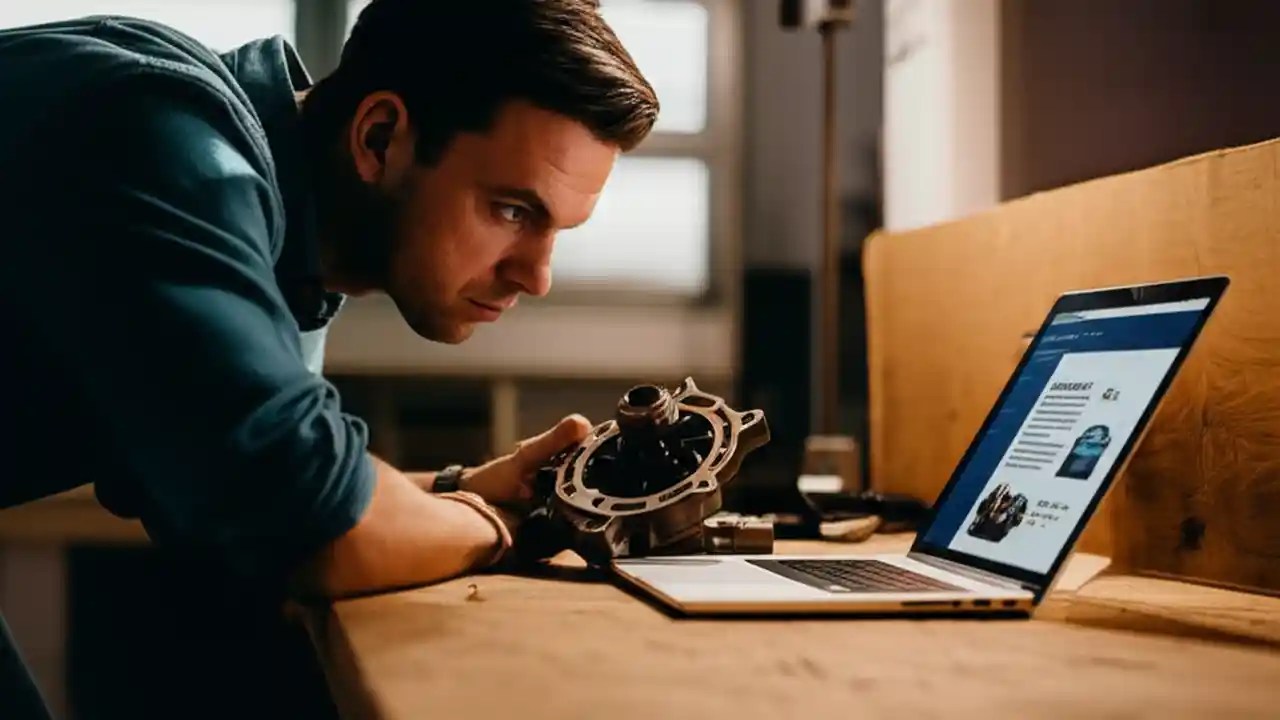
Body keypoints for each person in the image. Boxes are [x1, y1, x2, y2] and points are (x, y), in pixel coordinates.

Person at [0, 1, 657, 717]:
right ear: (379, 138)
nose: (536, 276)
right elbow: (304, 521)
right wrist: (508, 529)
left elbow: (232, 490)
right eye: (511, 211)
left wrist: (467, 489)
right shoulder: (169, 143)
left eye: (558, 229)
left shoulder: (285, 242)